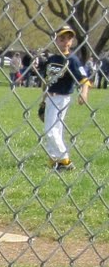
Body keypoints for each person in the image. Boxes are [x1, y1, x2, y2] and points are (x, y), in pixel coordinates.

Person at [39, 26, 91, 171]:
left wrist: (84, 93)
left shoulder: (72, 60)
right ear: (55, 40)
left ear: (72, 41)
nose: (65, 42)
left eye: (69, 38)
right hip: (50, 97)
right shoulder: (52, 59)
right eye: (61, 39)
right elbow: (47, 81)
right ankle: (55, 160)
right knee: (54, 129)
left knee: (51, 130)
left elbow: (84, 79)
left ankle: (65, 160)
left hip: (61, 98)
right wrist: (43, 100)